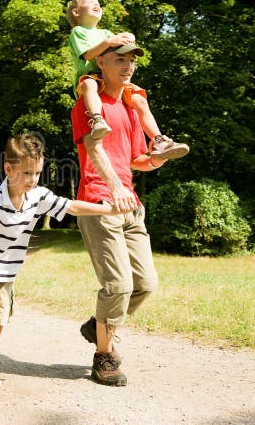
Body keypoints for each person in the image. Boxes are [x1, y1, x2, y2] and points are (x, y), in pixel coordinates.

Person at [0, 132, 122, 389]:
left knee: (0, 315)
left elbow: (72, 207)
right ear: (8, 169)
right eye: (27, 173)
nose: (32, 180)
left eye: (37, 173)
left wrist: (109, 209)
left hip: (8, 268)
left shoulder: (38, 196)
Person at [70, 41, 162, 387]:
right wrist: (114, 186)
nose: (128, 66)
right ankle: (103, 356)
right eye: (119, 60)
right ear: (102, 65)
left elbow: (137, 158)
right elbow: (93, 148)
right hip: (99, 202)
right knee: (118, 285)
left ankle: (98, 326)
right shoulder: (87, 104)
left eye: (131, 61)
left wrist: (157, 159)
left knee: (145, 284)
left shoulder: (129, 108)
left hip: (130, 206)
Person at [66, 0, 189, 160]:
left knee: (139, 99)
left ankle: (159, 140)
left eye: (98, 3)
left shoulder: (105, 33)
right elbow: (88, 54)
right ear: (76, 12)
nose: (97, 5)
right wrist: (109, 42)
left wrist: (127, 36)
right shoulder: (78, 32)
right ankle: (96, 118)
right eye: (90, 2)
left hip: (109, 76)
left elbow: (119, 42)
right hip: (91, 76)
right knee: (89, 84)